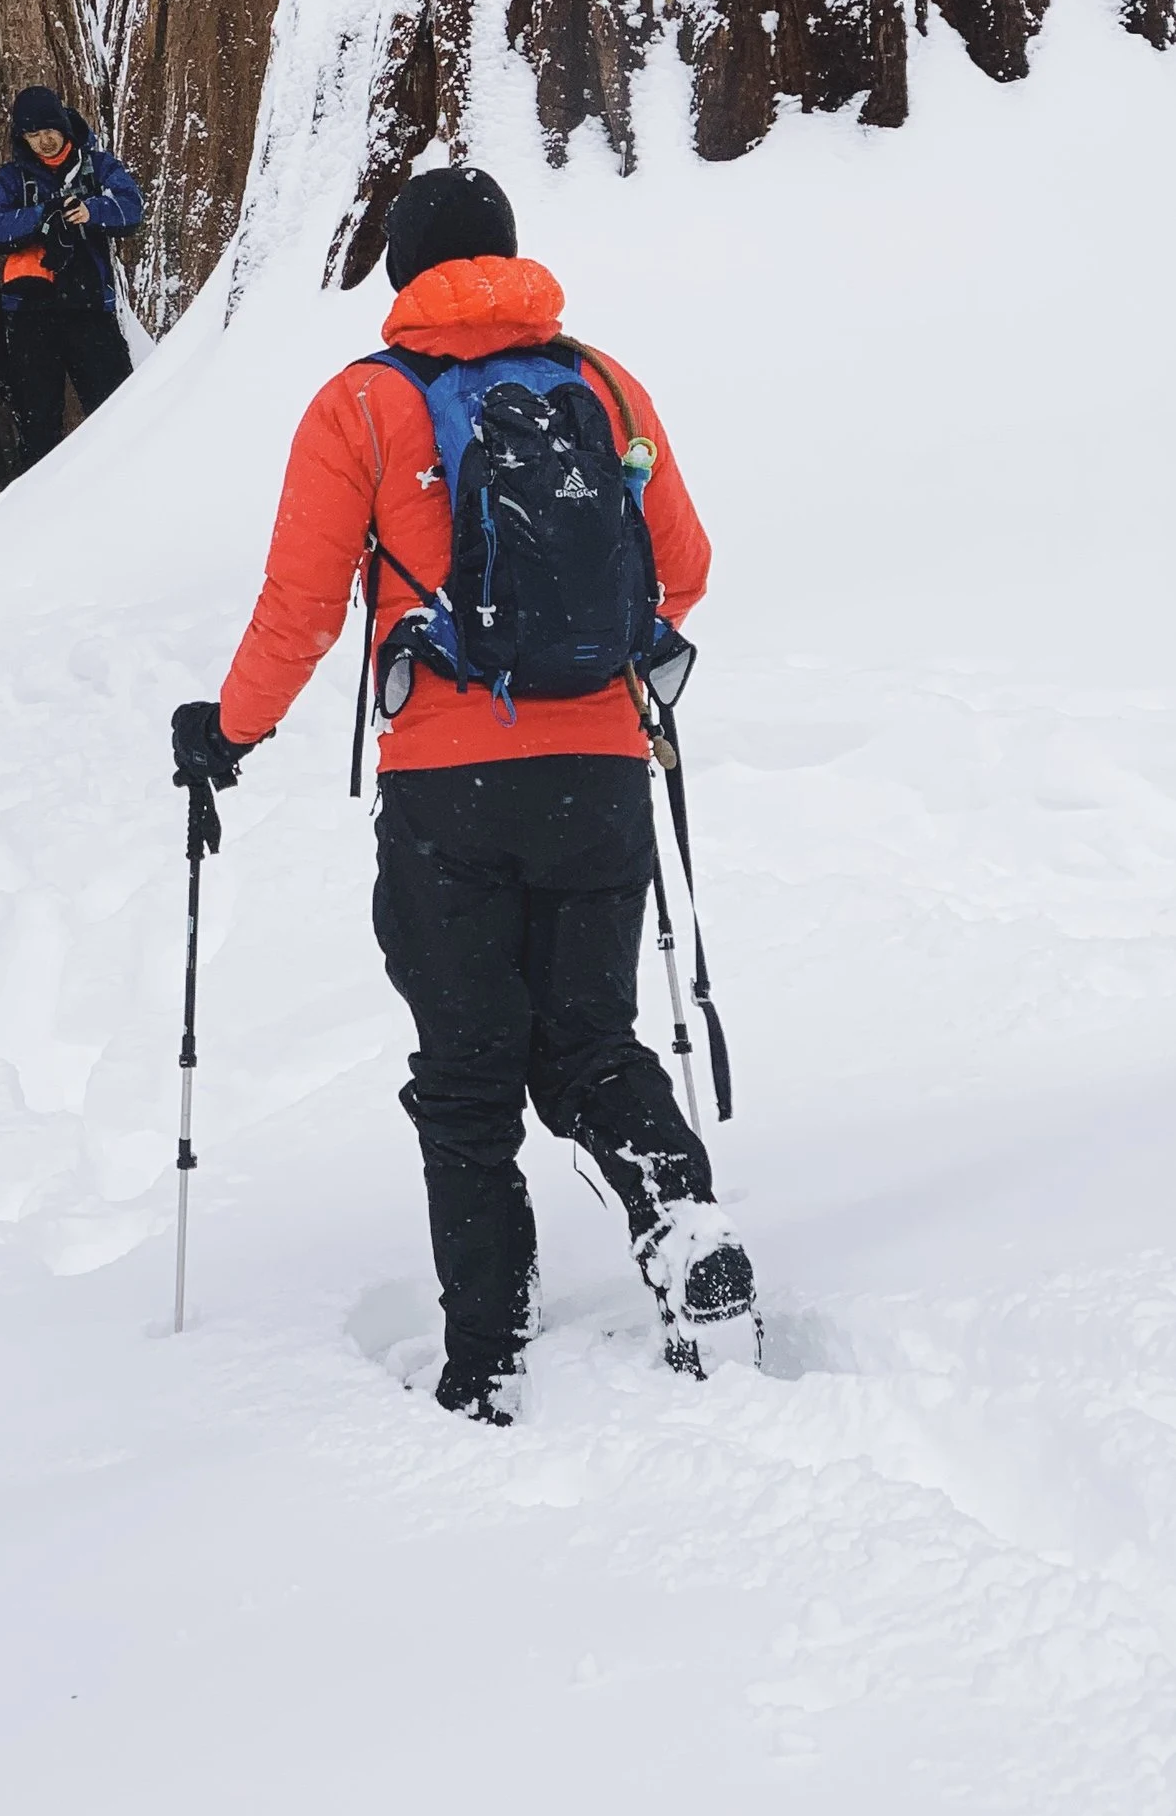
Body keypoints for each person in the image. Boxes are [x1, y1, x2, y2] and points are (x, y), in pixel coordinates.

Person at [170, 163, 754, 1422]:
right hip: (600, 770)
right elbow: (685, 568)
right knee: (593, 1039)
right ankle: (688, 1231)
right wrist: (593, 668)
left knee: (470, 1071)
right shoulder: (600, 384)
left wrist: (226, 732)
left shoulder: (363, 407)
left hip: (449, 785)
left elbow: (299, 610)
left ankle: (486, 1358)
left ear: (399, 269)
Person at [0, 84, 145, 467]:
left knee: (117, 407)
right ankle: (42, 511)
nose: (43, 141)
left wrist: (90, 212)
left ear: (63, 125)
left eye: (49, 130)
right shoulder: (13, 178)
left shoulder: (98, 167)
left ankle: (125, 483)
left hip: (89, 308)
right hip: (30, 313)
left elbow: (131, 207)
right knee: (38, 423)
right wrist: (42, 216)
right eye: (32, 135)